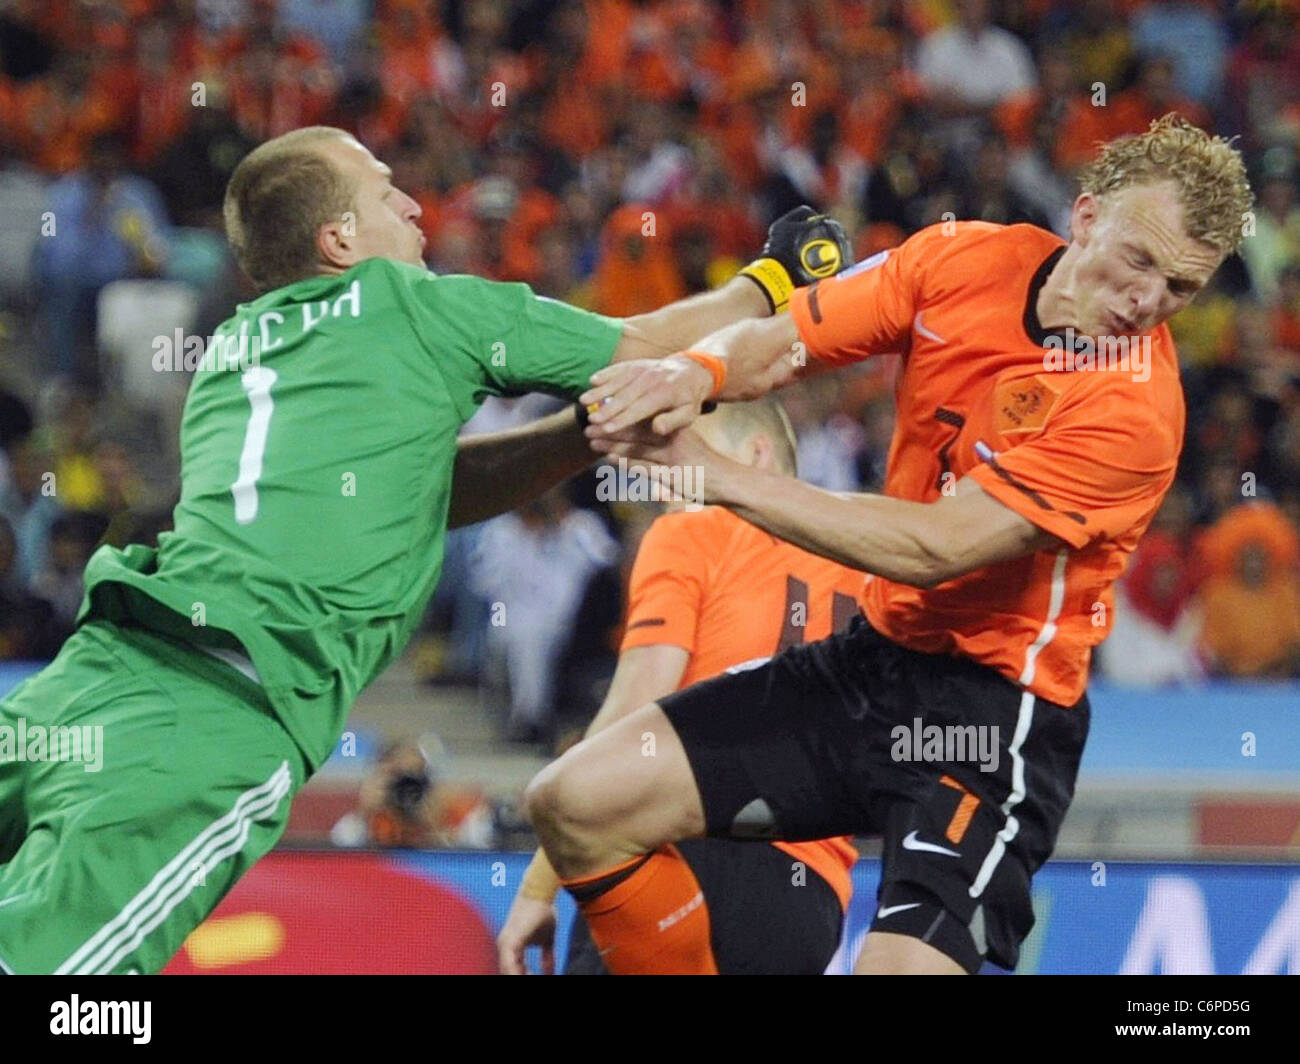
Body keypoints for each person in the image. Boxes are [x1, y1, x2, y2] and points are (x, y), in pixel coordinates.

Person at [0, 124, 851, 974]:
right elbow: (656, 349)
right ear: (340, 239)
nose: (412, 204)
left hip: (84, 683)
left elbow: (427, 490)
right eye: (383, 190)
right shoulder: (417, 305)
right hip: (214, 717)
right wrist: (772, 277)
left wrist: (578, 437)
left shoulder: (235, 347)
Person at [526, 114, 1253, 975]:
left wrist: (711, 476)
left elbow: (936, 547)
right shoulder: (960, 260)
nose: (1147, 302)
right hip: (871, 662)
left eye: (1180, 287)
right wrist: (693, 373)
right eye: (1140, 261)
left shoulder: (1134, 413)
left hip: (995, 719)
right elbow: (782, 340)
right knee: (574, 800)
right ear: (1086, 216)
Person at [498, 399, 862, 975]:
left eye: (687, 457)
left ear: (756, 455)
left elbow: (636, 700)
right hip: (811, 901)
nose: (672, 483)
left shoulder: (694, 528)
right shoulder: (868, 557)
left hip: (680, 856)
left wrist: (540, 886)